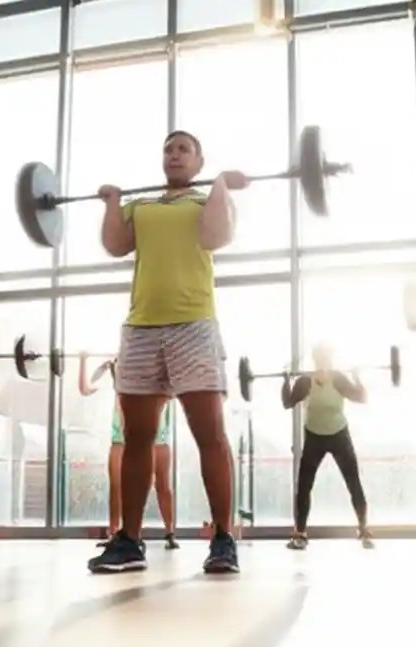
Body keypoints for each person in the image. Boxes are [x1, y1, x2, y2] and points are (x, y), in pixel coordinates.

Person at [89, 130, 244, 574]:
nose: (174, 154)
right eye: (168, 149)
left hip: (193, 326)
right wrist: (113, 202)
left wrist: (218, 185)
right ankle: (130, 542)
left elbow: (215, 237)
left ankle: (223, 539)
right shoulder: (143, 204)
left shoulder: (205, 200)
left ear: (197, 162)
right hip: (140, 330)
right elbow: (116, 245)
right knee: (137, 439)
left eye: (183, 149)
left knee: (208, 435)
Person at [78, 354, 179, 550]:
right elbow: (85, 388)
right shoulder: (118, 392)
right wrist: (84, 360)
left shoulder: (154, 388)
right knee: (117, 486)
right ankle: (116, 532)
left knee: (163, 485)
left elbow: (171, 393)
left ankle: (170, 533)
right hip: (122, 440)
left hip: (158, 440)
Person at [279, 343, 374, 550]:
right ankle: (300, 534)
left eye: (327, 359)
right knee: (304, 486)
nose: (324, 363)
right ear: (315, 361)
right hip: (314, 437)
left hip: (339, 435)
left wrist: (357, 376)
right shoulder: (305, 381)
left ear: (330, 360)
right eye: (321, 359)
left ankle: (364, 530)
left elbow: (362, 397)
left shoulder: (338, 378)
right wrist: (286, 381)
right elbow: (287, 402)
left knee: (353, 482)